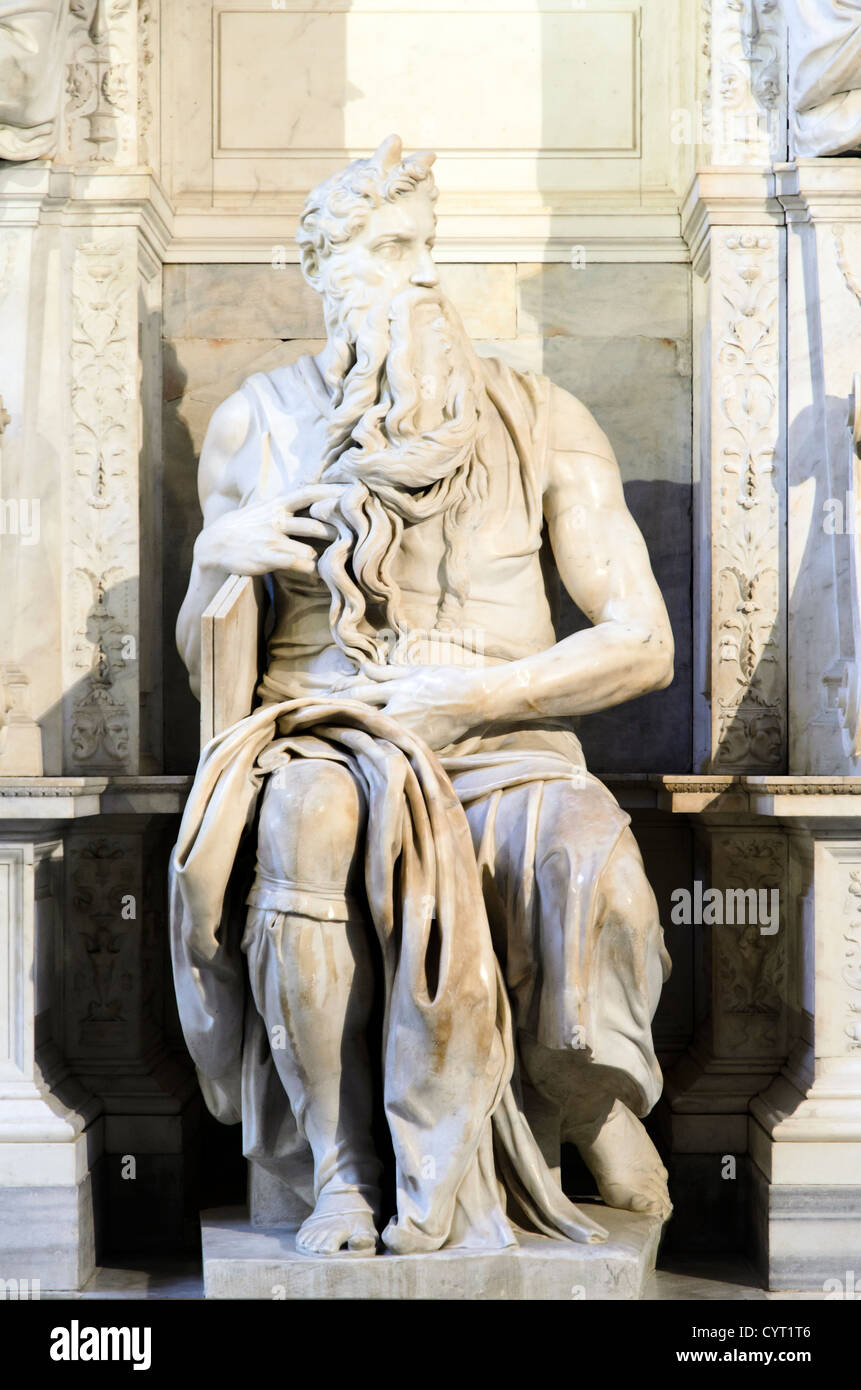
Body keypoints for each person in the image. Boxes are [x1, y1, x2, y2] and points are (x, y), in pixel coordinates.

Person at [172, 135, 674, 1258]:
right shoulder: (257, 421)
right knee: (308, 821)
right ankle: (344, 1164)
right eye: (394, 248)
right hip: (324, 730)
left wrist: (478, 693)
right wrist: (222, 559)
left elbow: (644, 642)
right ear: (327, 270)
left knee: (600, 864)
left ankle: (587, 1092)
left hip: (509, 737)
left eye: (432, 246)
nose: (427, 274)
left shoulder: (544, 416)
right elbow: (205, 665)